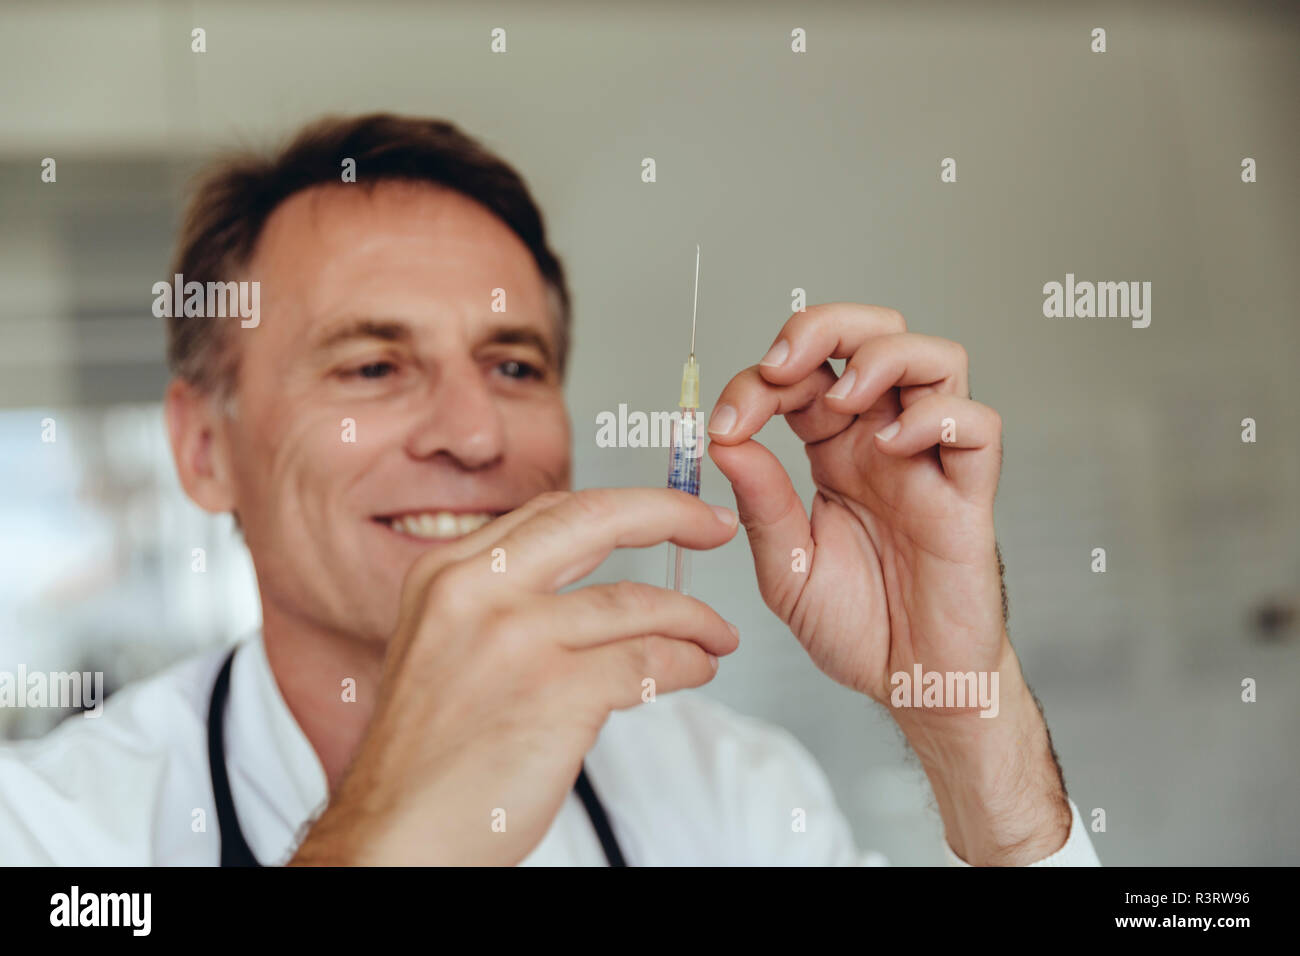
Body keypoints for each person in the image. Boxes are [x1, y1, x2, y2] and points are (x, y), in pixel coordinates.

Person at [0, 114, 1099, 866]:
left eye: (515, 366)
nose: (475, 434)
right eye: (373, 366)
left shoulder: (730, 794)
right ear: (203, 451)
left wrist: (966, 717)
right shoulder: (52, 828)